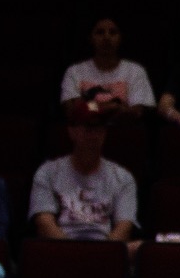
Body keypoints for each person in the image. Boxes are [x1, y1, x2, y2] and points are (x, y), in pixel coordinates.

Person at [29, 95, 137, 243]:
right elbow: (44, 223)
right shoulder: (47, 172)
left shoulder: (123, 177)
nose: (94, 135)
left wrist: (99, 255)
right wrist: (75, 255)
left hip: (104, 251)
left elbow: (124, 226)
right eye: (88, 128)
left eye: (99, 128)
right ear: (72, 131)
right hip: (61, 249)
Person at [59, 19, 153, 112]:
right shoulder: (74, 71)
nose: (106, 37)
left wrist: (91, 108)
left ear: (120, 38)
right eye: (100, 33)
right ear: (90, 38)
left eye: (113, 32)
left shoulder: (135, 71)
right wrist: (110, 106)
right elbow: (73, 109)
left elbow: (136, 111)